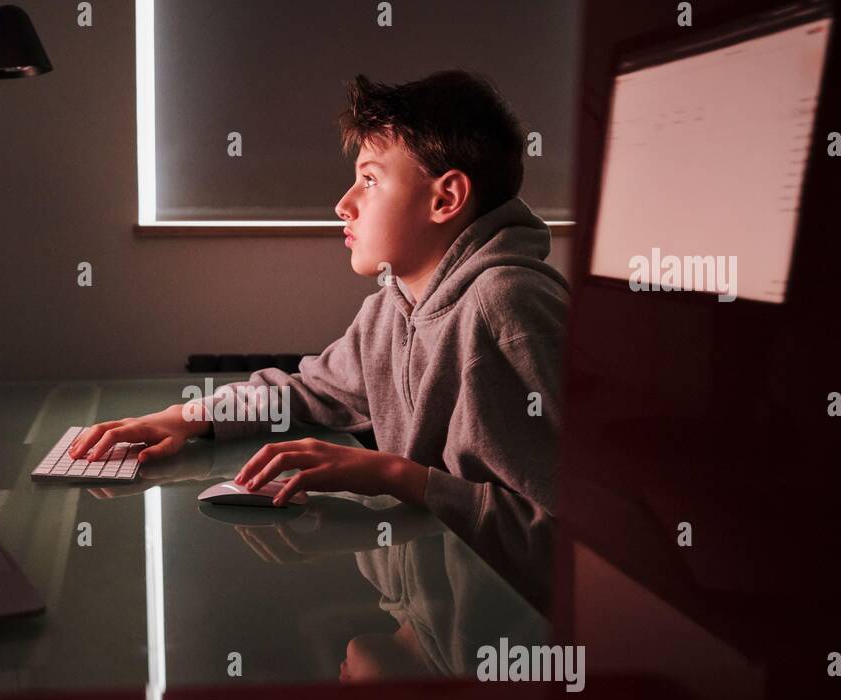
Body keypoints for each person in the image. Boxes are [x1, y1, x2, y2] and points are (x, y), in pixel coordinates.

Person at [69, 71, 568, 544]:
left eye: (370, 180)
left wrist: (397, 476)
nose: (343, 204)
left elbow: (565, 535)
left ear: (446, 198)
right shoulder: (391, 309)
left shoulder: (507, 306)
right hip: (429, 610)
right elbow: (309, 394)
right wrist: (187, 416)